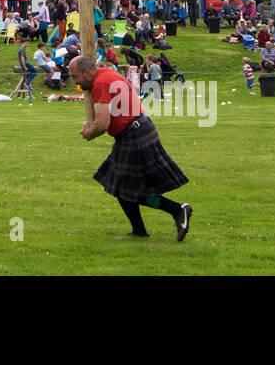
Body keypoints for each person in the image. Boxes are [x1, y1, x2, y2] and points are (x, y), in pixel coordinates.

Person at [68, 53, 191, 241]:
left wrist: (89, 133)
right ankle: (139, 231)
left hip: (135, 135)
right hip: (135, 131)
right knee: (120, 188)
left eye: (75, 76)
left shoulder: (101, 83)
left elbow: (102, 124)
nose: (74, 81)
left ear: (86, 71)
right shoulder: (106, 74)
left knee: (130, 191)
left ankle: (177, 209)